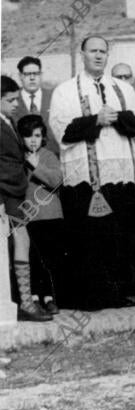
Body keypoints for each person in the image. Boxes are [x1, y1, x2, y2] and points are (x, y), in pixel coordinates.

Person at [48, 36, 135, 310]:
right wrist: (96, 120)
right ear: (81, 53)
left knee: (120, 235)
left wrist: (117, 118)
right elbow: (62, 130)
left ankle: (122, 293)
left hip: (118, 175)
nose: (98, 56)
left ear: (108, 55)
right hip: (84, 179)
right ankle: (89, 297)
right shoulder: (65, 90)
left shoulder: (122, 88)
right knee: (88, 237)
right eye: (93, 51)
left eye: (103, 52)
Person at [0, 77, 51, 321]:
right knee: (21, 240)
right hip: (5, 193)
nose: (15, 104)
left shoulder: (8, 121)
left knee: (22, 241)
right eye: (9, 100)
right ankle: (25, 303)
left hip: (14, 192)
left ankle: (25, 301)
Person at [17, 114, 67, 312]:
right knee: (33, 259)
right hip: (29, 216)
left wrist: (37, 166)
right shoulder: (18, 158)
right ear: (21, 138)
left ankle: (50, 297)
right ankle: (35, 297)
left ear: (43, 137)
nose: (33, 140)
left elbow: (56, 180)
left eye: (37, 135)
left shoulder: (47, 156)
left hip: (51, 216)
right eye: (28, 136)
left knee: (50, 259)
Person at [14, 56, 58, 154]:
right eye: (27, 74)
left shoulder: (54, 97)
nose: (32, 78)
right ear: (20, 76)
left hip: (53, 159)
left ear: (41, 75)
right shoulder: (12, 100)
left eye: (36, 73)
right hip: (23, 161)